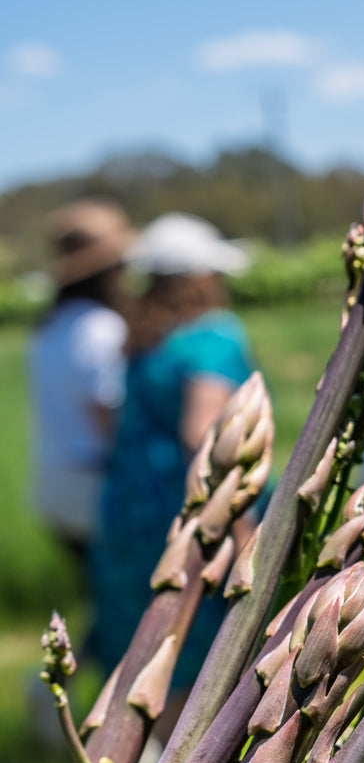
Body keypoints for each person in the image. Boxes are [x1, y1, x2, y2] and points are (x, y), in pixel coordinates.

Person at [91, 213, 255, 694]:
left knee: (145, 645)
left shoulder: (144, 337)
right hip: (186, 514)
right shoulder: (214, 335)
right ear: (202, 277)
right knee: (200, 653)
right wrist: (242, 529)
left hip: (127, 509)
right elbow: (202, 432)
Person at [29, 200, 135, 560]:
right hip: (93, 490)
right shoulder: (101, 328)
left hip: (54, 484)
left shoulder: (50, 326)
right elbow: (107, 415)